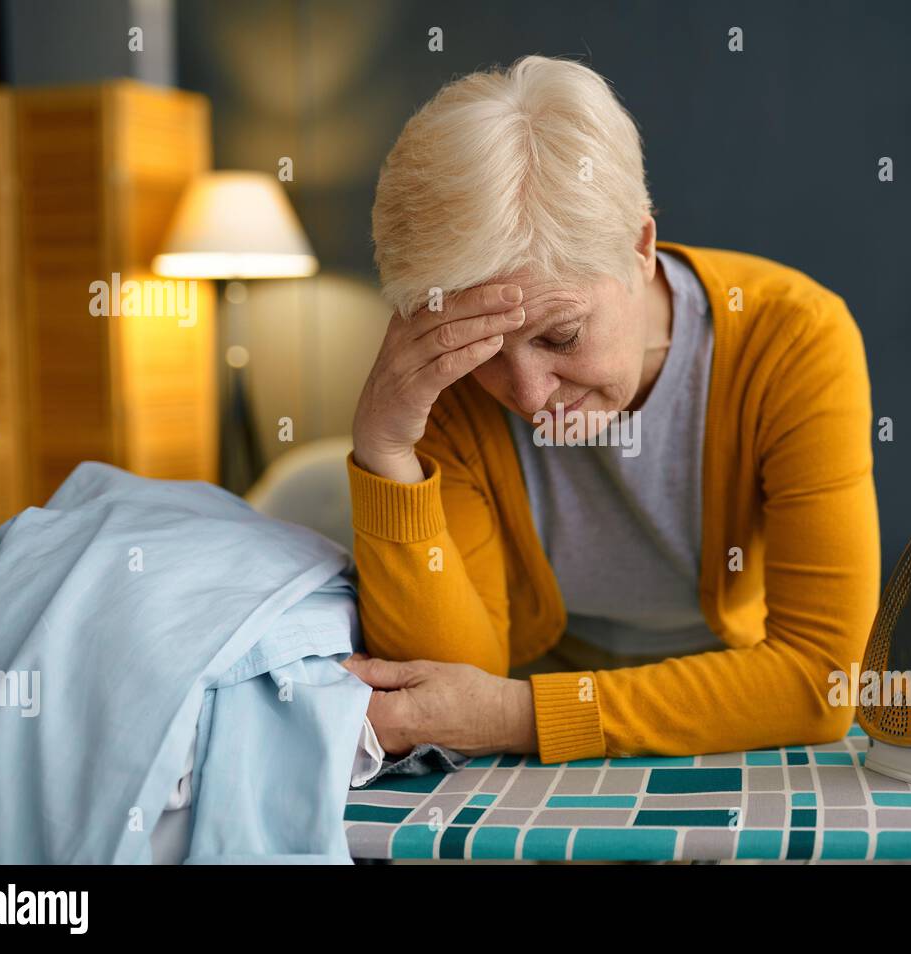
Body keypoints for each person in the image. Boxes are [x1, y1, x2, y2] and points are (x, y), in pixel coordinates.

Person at [341, 55, 880, 765]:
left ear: (640, 250)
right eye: (485, 352)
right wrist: (383, 450)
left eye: (560, 336)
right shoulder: (445, 381)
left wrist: (516, 714)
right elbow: (444, 695)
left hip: (730, 728)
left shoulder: (794, 337)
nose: (529, 397)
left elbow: (820, 681)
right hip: (531, 755)